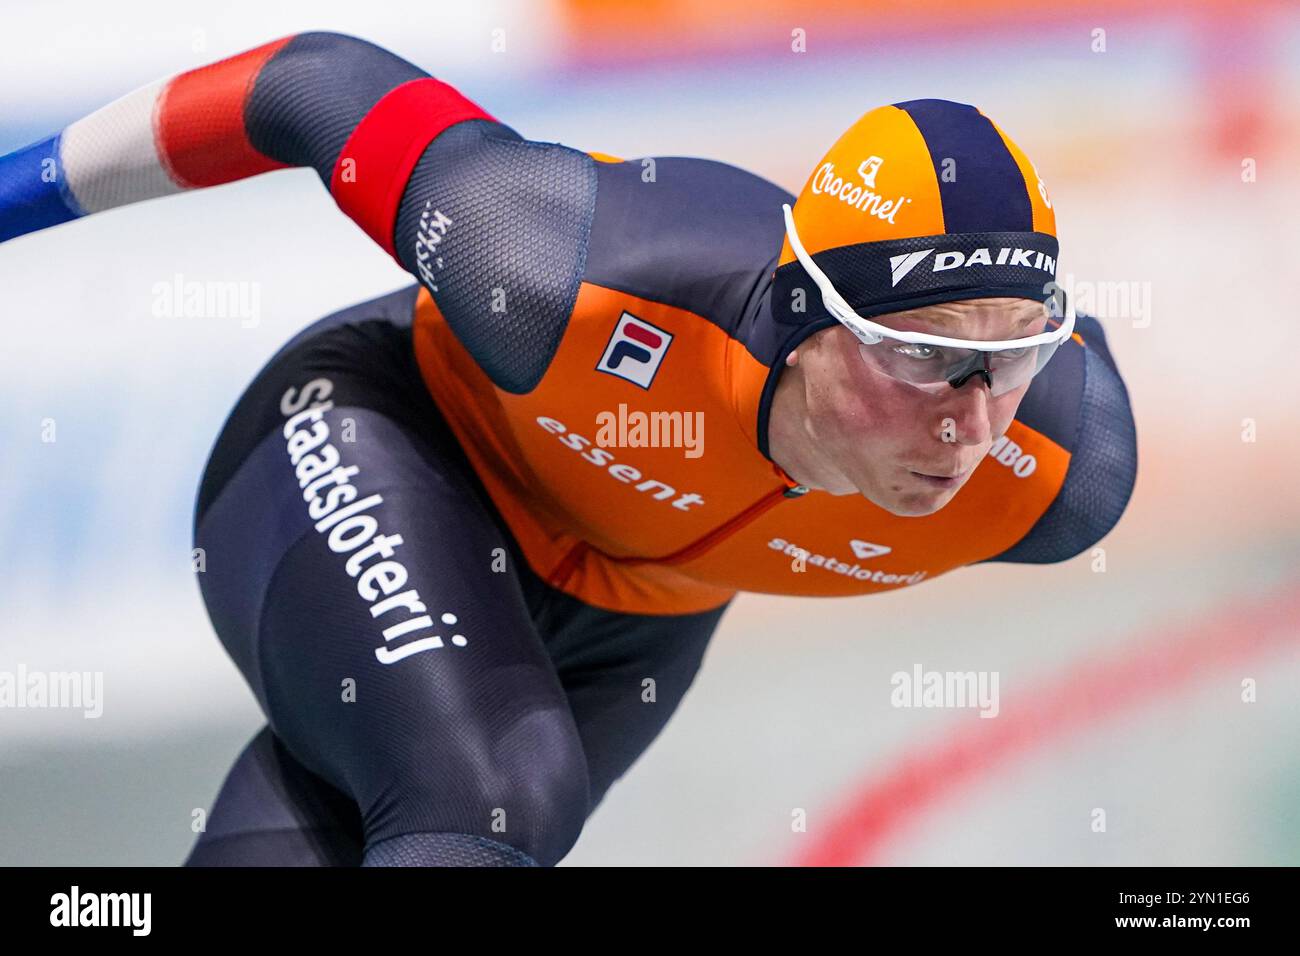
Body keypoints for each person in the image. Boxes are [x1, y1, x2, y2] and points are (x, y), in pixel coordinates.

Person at [0, 32, 1137, 866]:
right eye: (923, 354)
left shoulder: (1060, 477)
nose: (971, 420)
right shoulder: (554, 266)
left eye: (1017, 355)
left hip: (635, 608)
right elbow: (307, 85)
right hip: (395, 440)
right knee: (490, 796)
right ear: (804, 319)